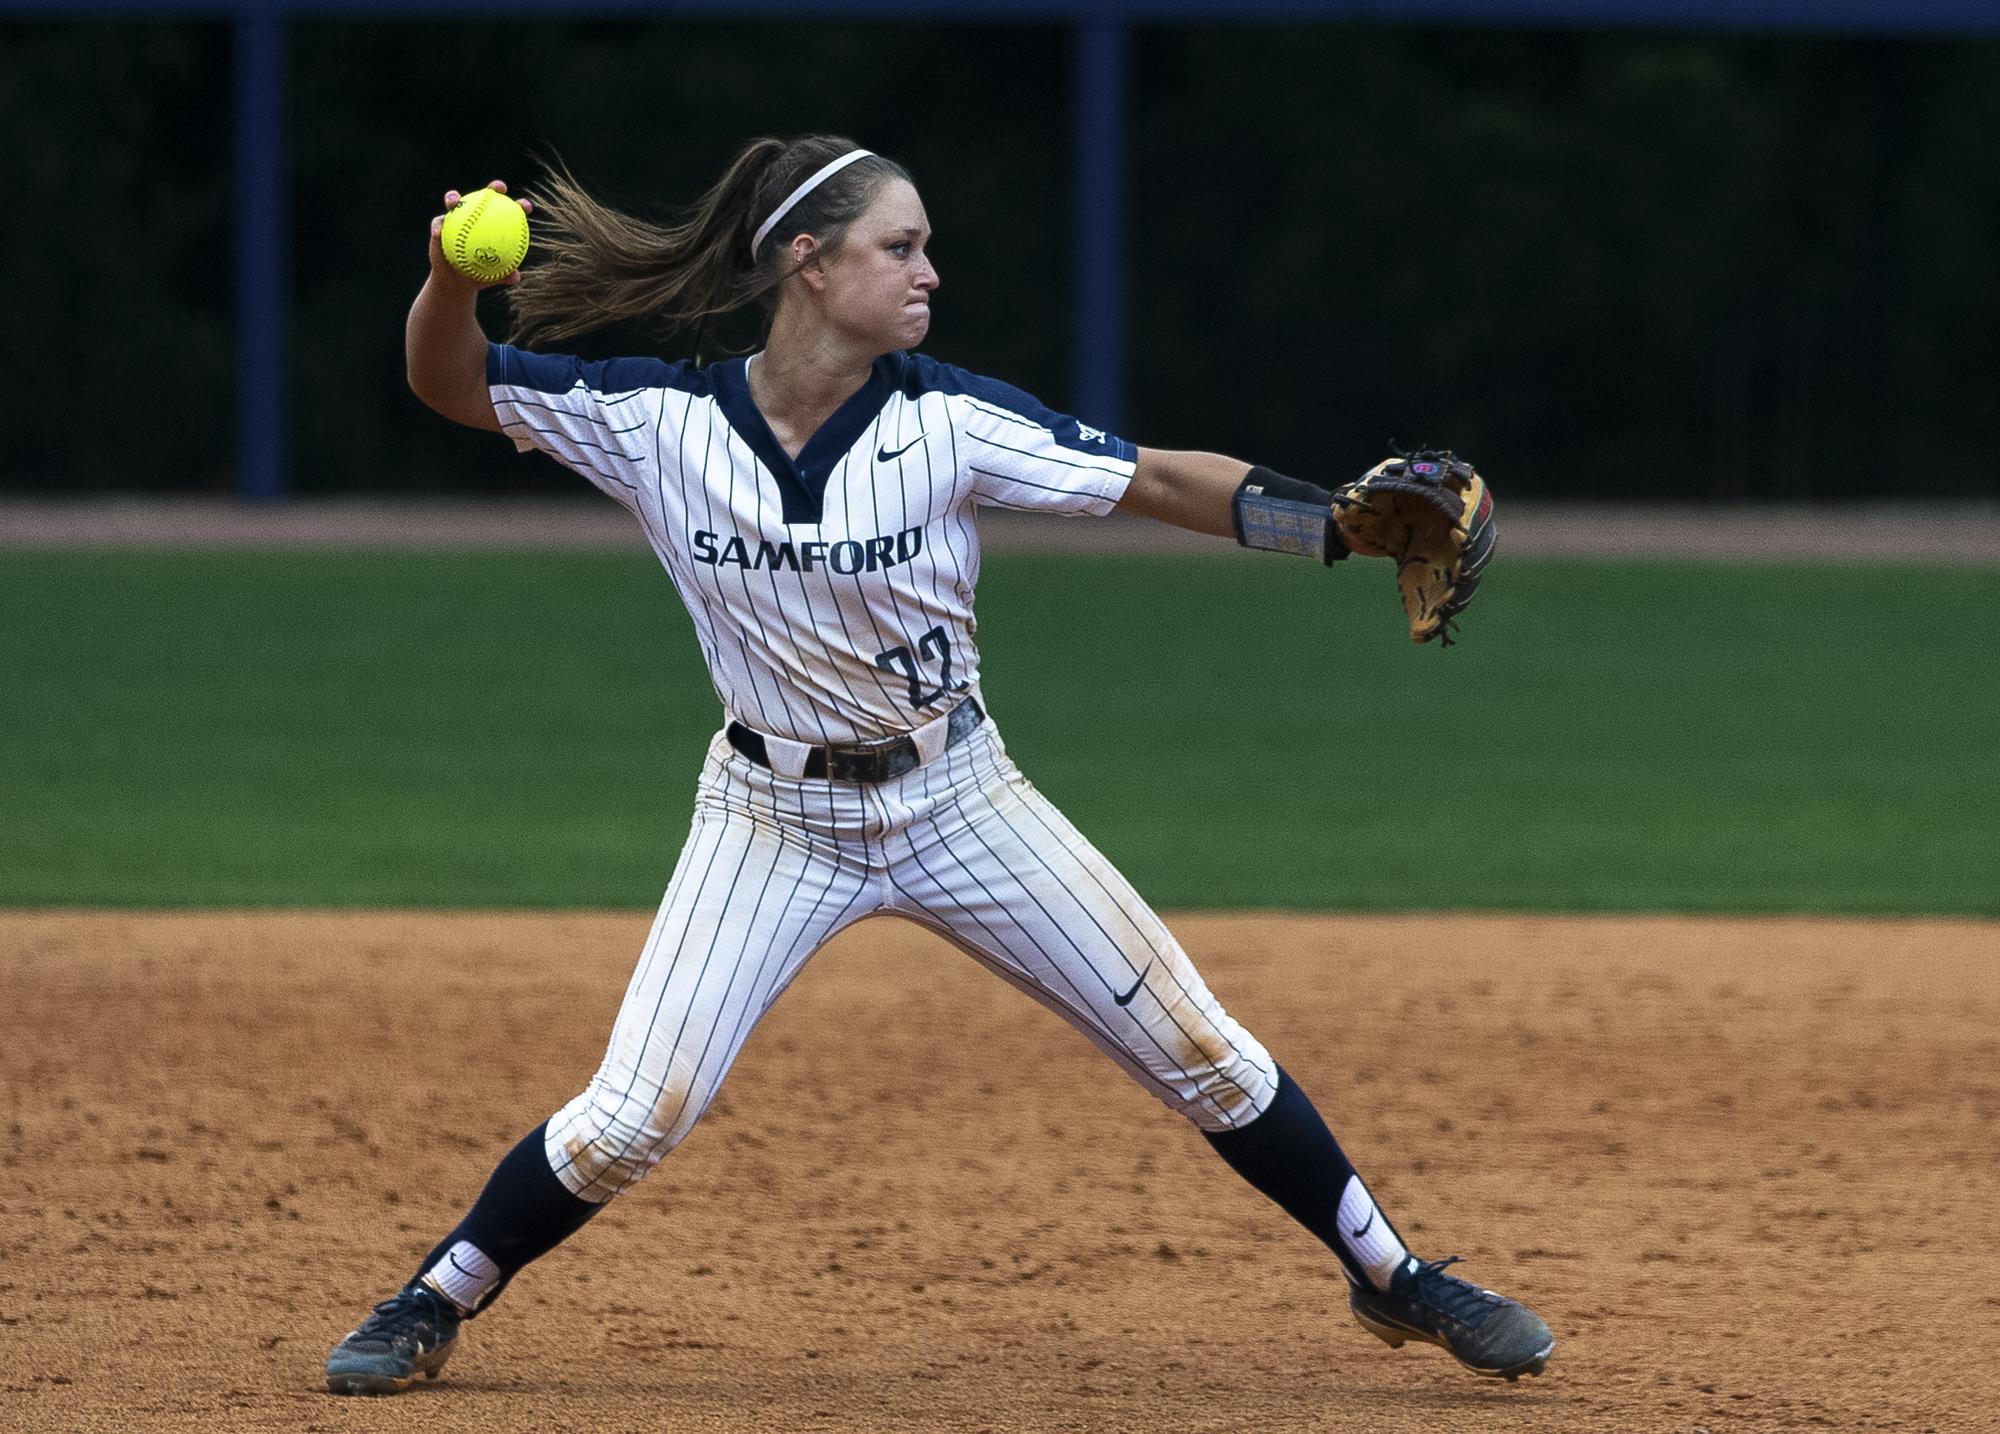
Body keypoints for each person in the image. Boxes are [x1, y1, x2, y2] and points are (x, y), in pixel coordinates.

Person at [324, 135, 1554, 1396]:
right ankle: (433, 1298)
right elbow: (455, 385)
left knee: (1202, 1050)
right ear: (807, 263)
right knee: (636, 1113)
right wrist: (450, 280)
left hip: (957, 800)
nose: (927, 273)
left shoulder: (948, 421)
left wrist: (1330, 527)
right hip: (770, 815)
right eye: (897, 247)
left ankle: (1395, 1277)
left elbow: (1152, 478)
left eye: (923, 249)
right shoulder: (656, 421)